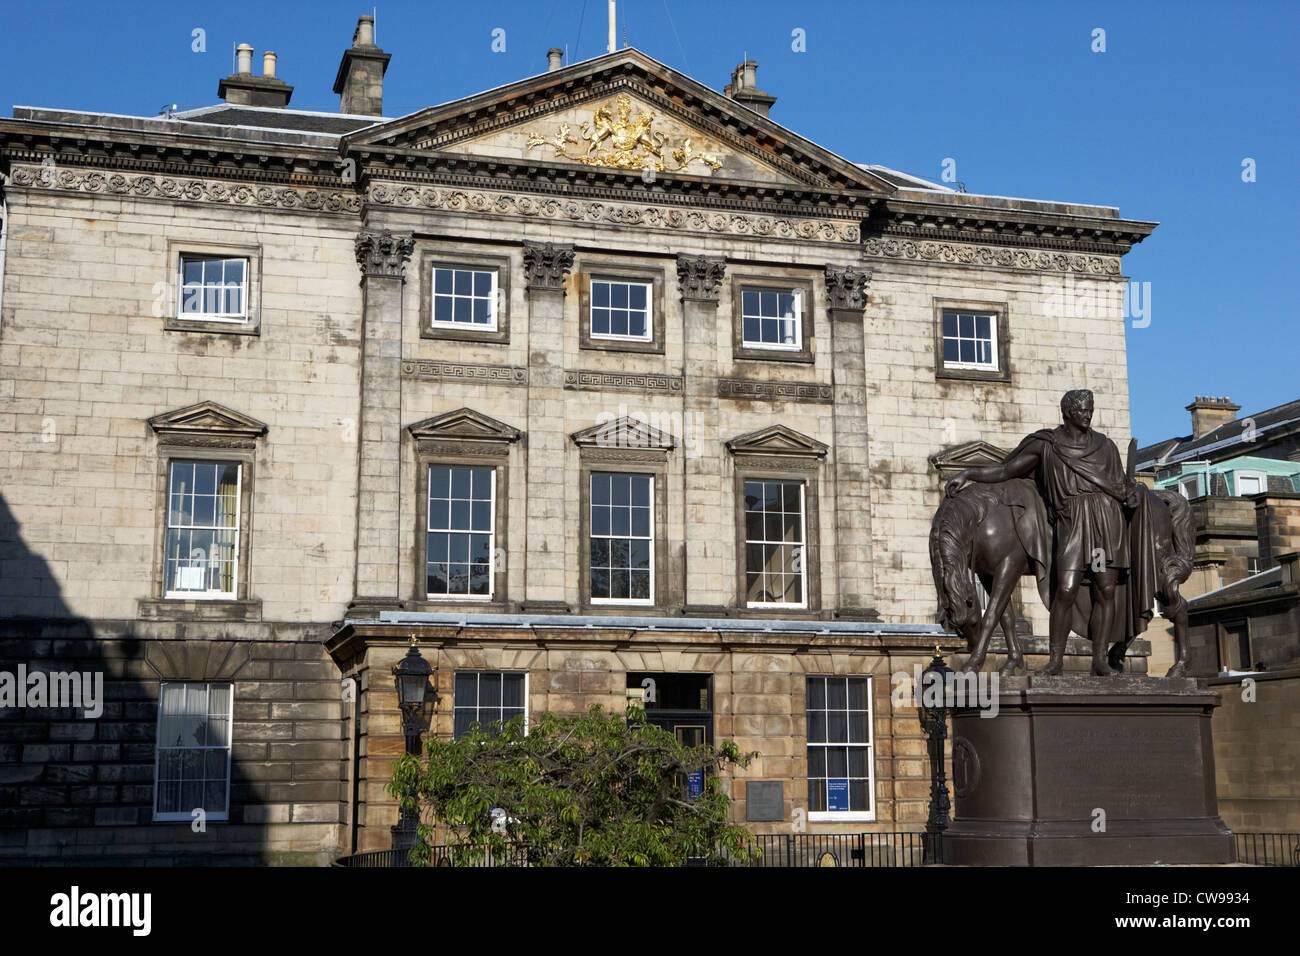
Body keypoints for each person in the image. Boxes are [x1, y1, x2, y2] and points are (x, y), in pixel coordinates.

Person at [945, 389, 1145, 675]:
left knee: (1106, 587)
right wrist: (968, 474)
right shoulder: (1047, 444)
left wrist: (1131, 495)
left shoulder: (1106, 446)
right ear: (1067, 413)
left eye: (1090, 409)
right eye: (1081, 410)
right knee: (1065, 589)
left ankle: (1100, 660)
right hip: (1072, 525)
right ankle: (1055, 660)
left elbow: (1119, 487)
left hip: (1103, 526)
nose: (1087, 414)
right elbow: (1007, 469)